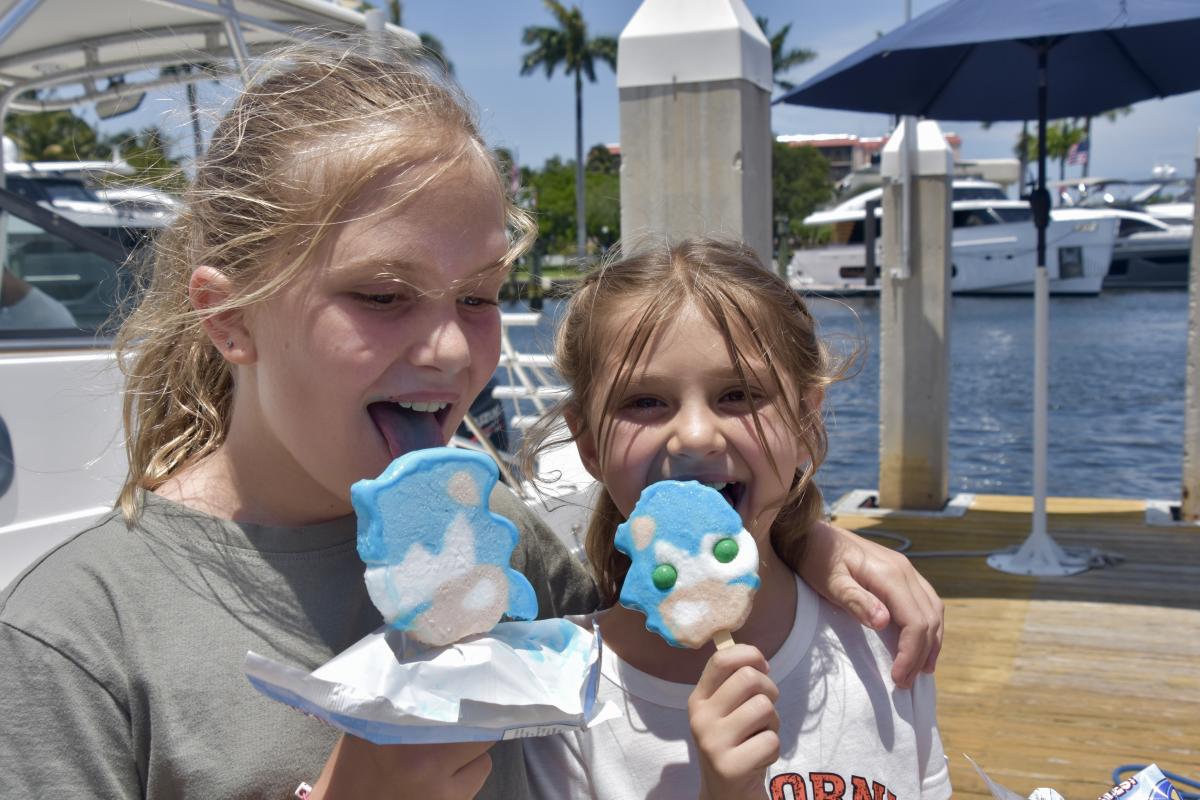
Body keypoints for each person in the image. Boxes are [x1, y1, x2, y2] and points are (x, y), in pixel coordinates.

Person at [0, 42, 941, 800]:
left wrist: (806, 544)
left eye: (482, 295)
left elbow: (656, 611)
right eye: (382, 295)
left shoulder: (506, 547)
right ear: (231, 318)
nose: (452, 352)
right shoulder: (78, 642)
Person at [522, 238, 953, 800]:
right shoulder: (555, 694)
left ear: (804, 421)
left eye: (739, 394)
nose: (697, 436)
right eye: (644, 402)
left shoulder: (883, 637)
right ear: (588, 444)